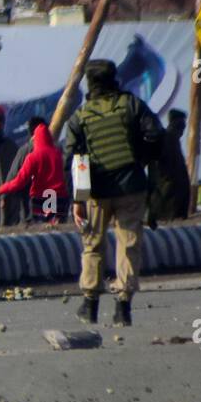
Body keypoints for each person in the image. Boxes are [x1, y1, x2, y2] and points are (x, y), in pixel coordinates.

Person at [63, 58, 163, 327]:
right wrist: (138, 159)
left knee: (92, 243)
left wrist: (77, 200)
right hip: (131, 186)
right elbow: (156, 135)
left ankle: (89, 305)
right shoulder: (132, 105)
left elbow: (72, 158)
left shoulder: (80, 117)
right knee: (128, 244)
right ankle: (122, 308)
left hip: (95, 191)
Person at [0, 121, 67, 224]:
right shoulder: (58, 154)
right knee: (57, 231)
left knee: (40, 231)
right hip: (59, 199)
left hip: (40, 199)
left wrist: (2, 190)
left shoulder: (32, 157)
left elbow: (18, 180)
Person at [148, 109, 190, 224]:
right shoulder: (168, 138)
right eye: (182, 125)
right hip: (168, 191)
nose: (183, 130)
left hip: (171, 189)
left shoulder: (172, 138)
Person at [4, 117, 47, 226]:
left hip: (30, 207)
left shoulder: (25, 150)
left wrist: (4, 196)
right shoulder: (55, 148)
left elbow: (13, 175)